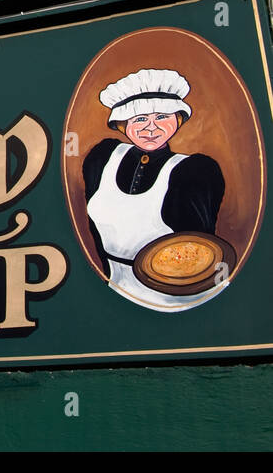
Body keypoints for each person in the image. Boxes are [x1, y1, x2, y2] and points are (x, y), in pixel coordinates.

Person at [82, 68, 226, 311]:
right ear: (122, 124)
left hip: (176, 301)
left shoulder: (192, 172)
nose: (151, 128)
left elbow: (200, 249)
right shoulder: (102, 158)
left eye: (162, 117)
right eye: (140, 119)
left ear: (178, 120)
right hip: (116, 290)